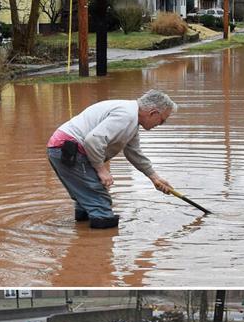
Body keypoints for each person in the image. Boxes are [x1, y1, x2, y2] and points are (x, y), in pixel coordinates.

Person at [47, 90, 178, 230]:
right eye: (162, 120)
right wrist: (101, 170)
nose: (161, 124)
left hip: (64, 149)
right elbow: (93, 140)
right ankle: (101, 239)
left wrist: (155, 178)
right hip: (69, 150)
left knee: (87, 198)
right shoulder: (126, 116)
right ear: (153, 113)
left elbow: (134, 153)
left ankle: (83, 235)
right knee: (100, 204)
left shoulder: (132, 119)